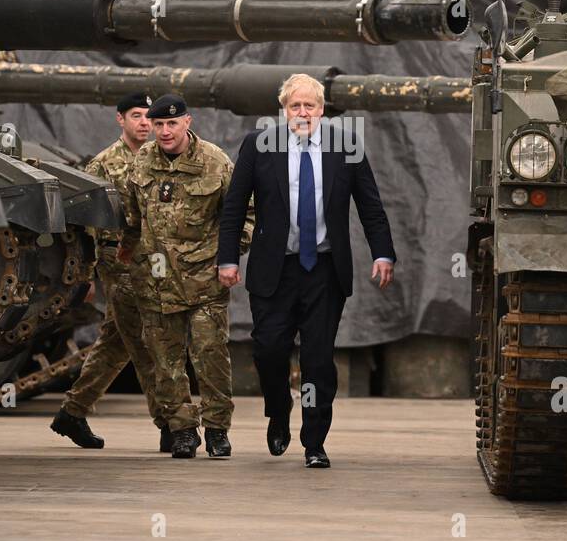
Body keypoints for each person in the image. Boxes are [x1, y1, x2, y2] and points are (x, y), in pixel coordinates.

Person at [217, 73, 394, 469]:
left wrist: (383, 254)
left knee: (317, 359)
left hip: (324, 270)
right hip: (274, 268)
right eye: (294, 106)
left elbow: (370, 205)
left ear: (321, 109)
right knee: (269, 349)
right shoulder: (259, 145)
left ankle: (315, 441)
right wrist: (227, 258)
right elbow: (233, 207)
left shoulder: (345, 145)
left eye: (308, 106)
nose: (302, 113)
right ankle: (279, 411)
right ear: (283, 111)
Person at [118, 94, 251, 459]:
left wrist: (227, 258)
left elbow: (243, 214)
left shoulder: (215, 162)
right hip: (155, 280)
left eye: (171, 124)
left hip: (203, 279)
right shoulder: (141, 161)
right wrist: (125, 258)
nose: (163, 131)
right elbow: (130, 217)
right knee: (165, 361)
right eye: (157, 124)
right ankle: (182, 430)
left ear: (187, 122)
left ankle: (218, 429)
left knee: (210, 354)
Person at [50, 92, 173, 452]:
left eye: (148, 116)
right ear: (120, 120)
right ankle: (169, 423)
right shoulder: (103, 165)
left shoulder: (160, 159)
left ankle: (72, 412)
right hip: (116, 263)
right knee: (145, 341)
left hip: (154, 262)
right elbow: (81, 225)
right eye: (136, 115)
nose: (145, 123)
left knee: (116, 343)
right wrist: (83, 274)